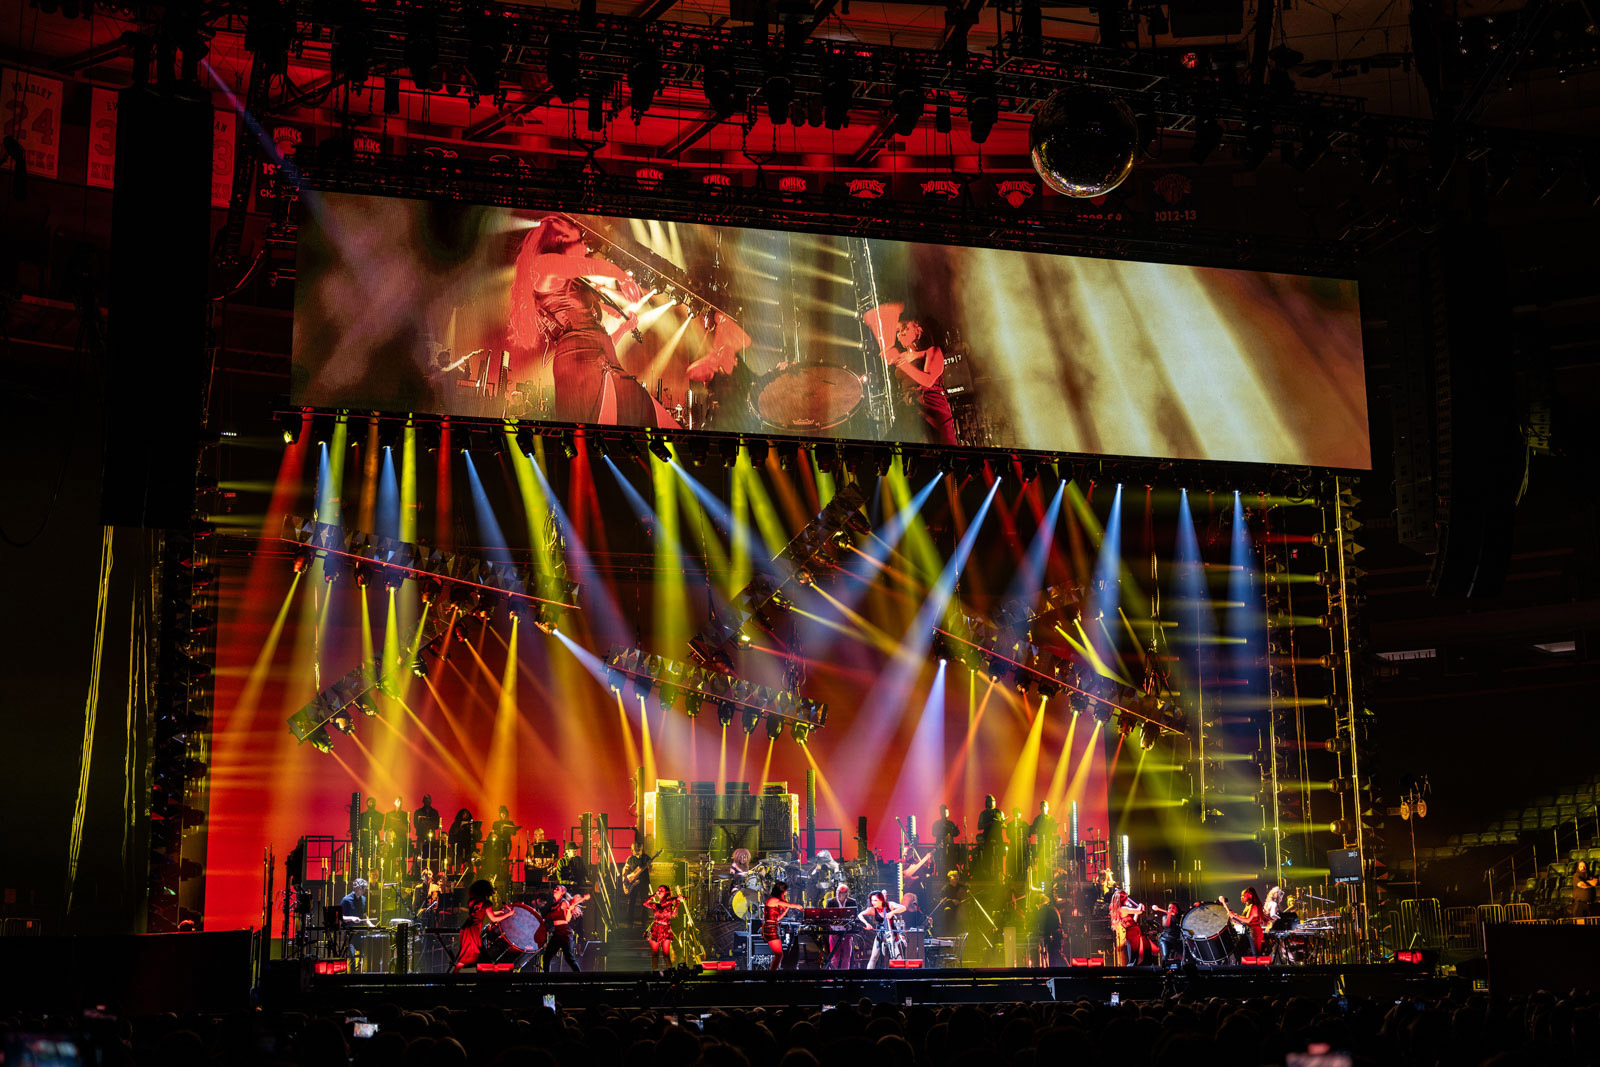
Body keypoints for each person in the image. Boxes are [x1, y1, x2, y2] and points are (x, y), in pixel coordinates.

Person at [507, 215, 673, 428]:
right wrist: (621, 276)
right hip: (579, 366)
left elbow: (600, 341)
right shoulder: (543, 265)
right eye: (580, 240)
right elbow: (588, 266)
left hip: (602, 362)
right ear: (561, 240)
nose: (585, 246)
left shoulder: (575, 283)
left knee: (652, 421)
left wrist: (623, 327)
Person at [860, 302, 958, 446]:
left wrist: (901, 362)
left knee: (945, 455)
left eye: (905, 327)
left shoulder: (933, 351)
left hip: (932, 416)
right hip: (909, 414)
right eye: (898, 331)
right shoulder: (902, 356)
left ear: (918, 330)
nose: (901, 333)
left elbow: (928, 380)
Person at [453, 879, 517, 971]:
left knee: (470, 954)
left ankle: (455, 974)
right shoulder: (486, 904)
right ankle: (453, 975)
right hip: (473, 931)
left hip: (466, 929)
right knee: (467, 956)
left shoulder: (472, 901)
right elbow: (493, 919)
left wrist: (498, 912)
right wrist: (509, 914)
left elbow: (481, 912)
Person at [541, 884, 590, 972]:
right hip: (557, 933)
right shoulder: (553, 905)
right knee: (546, 957)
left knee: (569, 958)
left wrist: (569, 910)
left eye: (557, 889)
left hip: (565, 933)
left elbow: (567, 919)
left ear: (562, 892)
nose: (555, 890)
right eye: (555, 888)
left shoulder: (564, 903)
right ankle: (546, 978)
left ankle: (580, 977)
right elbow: (547, 917)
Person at [761, 881, 806, 972]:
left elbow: (777, 918)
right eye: (784, 892)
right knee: (779, 955)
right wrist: (797, 906)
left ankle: (772, 973)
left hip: (772, 929)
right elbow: (789, 904)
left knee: (779, 955)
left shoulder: (774, 901)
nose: (785, 894)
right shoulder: (773, 900)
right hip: (770, 930)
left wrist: (786, 910)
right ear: (781, 891)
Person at [642, 884, 687, 971]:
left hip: (666, 930)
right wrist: (654, 895)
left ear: (666, 893)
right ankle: (654, 973)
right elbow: (645, 903)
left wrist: (677, 901)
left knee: (666, 955)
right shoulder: (656, 905)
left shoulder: (669, 903)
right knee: (655, 955)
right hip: (655, 929)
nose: (658, 891)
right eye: (658, 890)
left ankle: (671, 973)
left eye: (661, 890)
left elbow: (673, 914)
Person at [858, 891, 909, 969]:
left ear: (881, 900)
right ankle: (868, 975)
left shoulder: (889, 905)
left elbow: (903, 908)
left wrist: (892, 912)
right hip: (881, 934)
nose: (873, 902)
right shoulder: (872, 909)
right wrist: (866, 924)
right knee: (873, 957)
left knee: (897, 957)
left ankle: (900, 974)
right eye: (872, 900)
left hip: (892, 934)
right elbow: (860, 915)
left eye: (875, 900)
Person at [1109, 887, 1148, 966]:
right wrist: (1140, 905)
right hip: (1132, 933)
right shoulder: (1123, 909)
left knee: (1134, 955)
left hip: (1133, 931)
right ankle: (1131, 969)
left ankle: (1132, 968)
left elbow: (1133, 921)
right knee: (1133, 956)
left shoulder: (1120, 910)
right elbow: (1139, 911)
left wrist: (1137, 912)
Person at [1221, 887, 1265, 957]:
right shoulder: (1248, 906)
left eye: (1243, 896)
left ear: (1249, 895)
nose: (1241, 897)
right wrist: (1234, 917)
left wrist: (1235, 916)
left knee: (1256, 955)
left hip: (1255, 933)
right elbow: (1243, 920)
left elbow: (1247, 920)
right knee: (1239, 951)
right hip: (1248, 931)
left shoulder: (1254, 907)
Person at [975, 795, 1004, 879]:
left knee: (1000, 855)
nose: (991, 802)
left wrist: (1000, 823)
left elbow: (1004, 825)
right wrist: (989, 823)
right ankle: (987, 875)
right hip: (987, 837)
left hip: (998, 837)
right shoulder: (983, 814)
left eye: (992, 801)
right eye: (989, 801)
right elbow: (979, 827)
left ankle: (1000, 874)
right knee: (987, 857)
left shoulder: (999, 812)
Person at [827, 883, 856, 969]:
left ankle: (845, 975)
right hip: (834, 931)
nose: (838, 894)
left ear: (846, 893)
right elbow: (827, 916)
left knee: (846, 957)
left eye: (841, 892)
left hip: (847, 932)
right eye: (837, 892)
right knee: (835, 957)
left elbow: (855, 916)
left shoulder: (852, 902)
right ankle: (832, 975)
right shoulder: (831, 902)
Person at [1029, 801, 1058, 879]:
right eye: (1041, 806)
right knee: (1041, 860)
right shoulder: (1037, 819)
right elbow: (1032, 829)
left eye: (1044, 806)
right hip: (1040, 842)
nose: (1043, 808)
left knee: (1048, 860)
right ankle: (1041, 877)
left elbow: (1055, 830)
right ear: (1040, 807)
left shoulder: (1051, 818)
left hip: (1048, 843)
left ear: (1048, 807)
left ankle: (1048, 878)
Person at [414, 794, 442, 871]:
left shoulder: (434, 812)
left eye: (429, 799)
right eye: (426, 800)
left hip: (431, 837)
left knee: (432, 855)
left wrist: (427, 823)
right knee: (420, 855)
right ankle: (418, 871)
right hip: (421, 837)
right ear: (423, 801)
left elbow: (436, 825)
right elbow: (416, 825)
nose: (427, 801)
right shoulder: (418, 812)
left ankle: (432, 871)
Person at [447, 808, 479, 875]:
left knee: (470, 861)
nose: (465, 815)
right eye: (463, 814)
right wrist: (459, 829)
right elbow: (451, 836)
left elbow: (478, 836)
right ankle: (457, 875)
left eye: (466, 814)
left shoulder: (471, 825)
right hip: (459, 847)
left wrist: (472, 829)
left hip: (469, 847)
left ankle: (470, 875)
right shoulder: (455, 824)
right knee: (458, 860)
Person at [1159, 901, 1183, 966]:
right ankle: (1164, 969)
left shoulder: (1180, 917)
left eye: (1173, 908)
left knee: (1181, 957)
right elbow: (1166, 925)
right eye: (1169, 908)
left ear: (1177, 909)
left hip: (1177, 940)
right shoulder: (1165, 916)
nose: (1171, 909)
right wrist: (1169, 915)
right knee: (1165, 956)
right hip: (1166, 939)